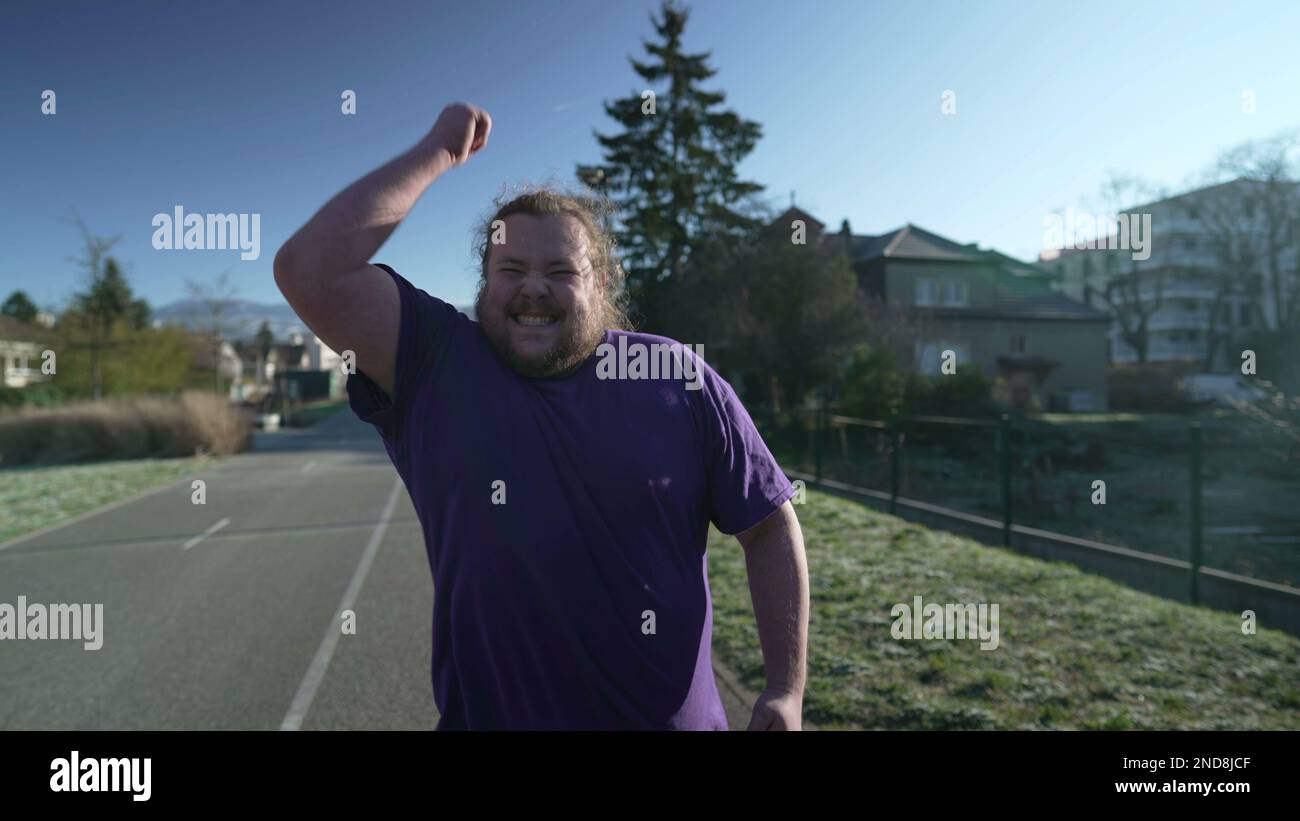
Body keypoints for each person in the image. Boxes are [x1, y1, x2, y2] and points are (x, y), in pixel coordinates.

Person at [274, 102, 809, 730]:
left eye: (560, 270)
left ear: (601, 283)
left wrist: (783, 687)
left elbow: (769, 525)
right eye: (512, 269)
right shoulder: (432, 365)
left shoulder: (678, 378)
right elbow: (308, 270)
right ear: (484, 280)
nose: (534, 288)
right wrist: (437, 153)